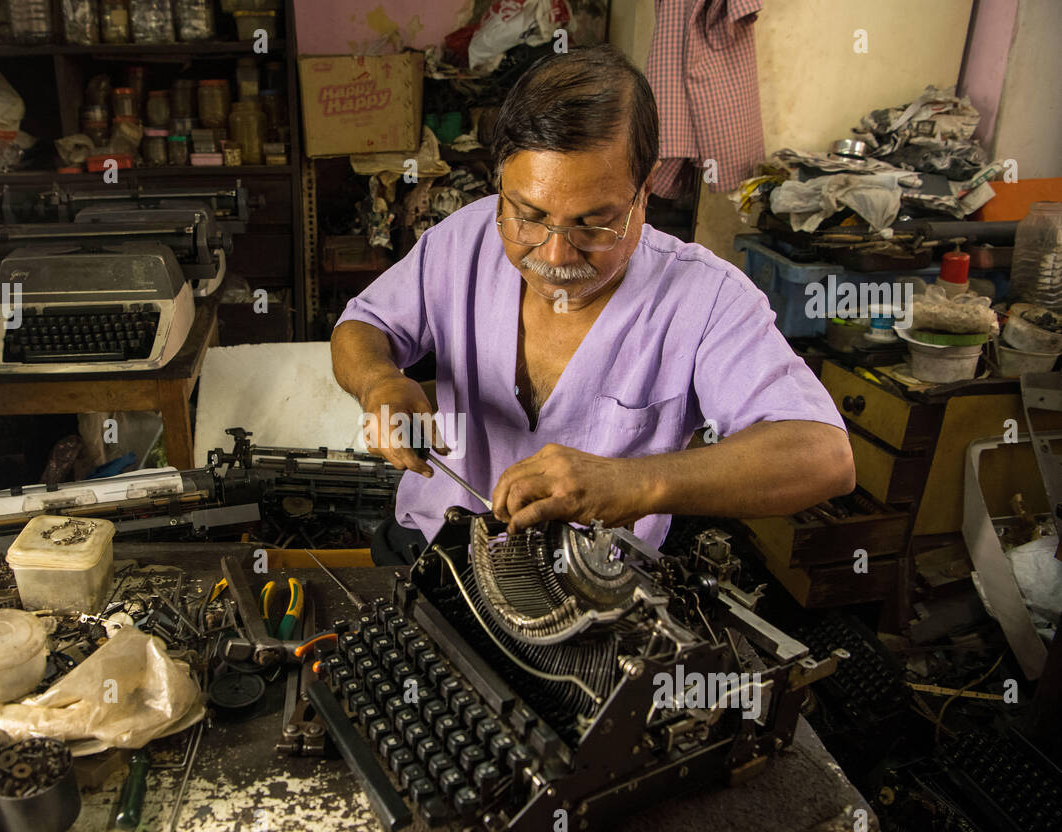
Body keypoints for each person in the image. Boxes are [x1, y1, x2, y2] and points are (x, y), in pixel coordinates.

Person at [331, 44, 854, 565]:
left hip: (590, 592)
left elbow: (823, 455)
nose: (554, 255)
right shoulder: (463, 240)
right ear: (501, 184)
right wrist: (378, 381)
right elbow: (362, 324)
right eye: (528, 215)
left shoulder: (706, 298)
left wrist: (635, 484)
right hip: (430, 554)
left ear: (644, 192)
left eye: (592, 222)